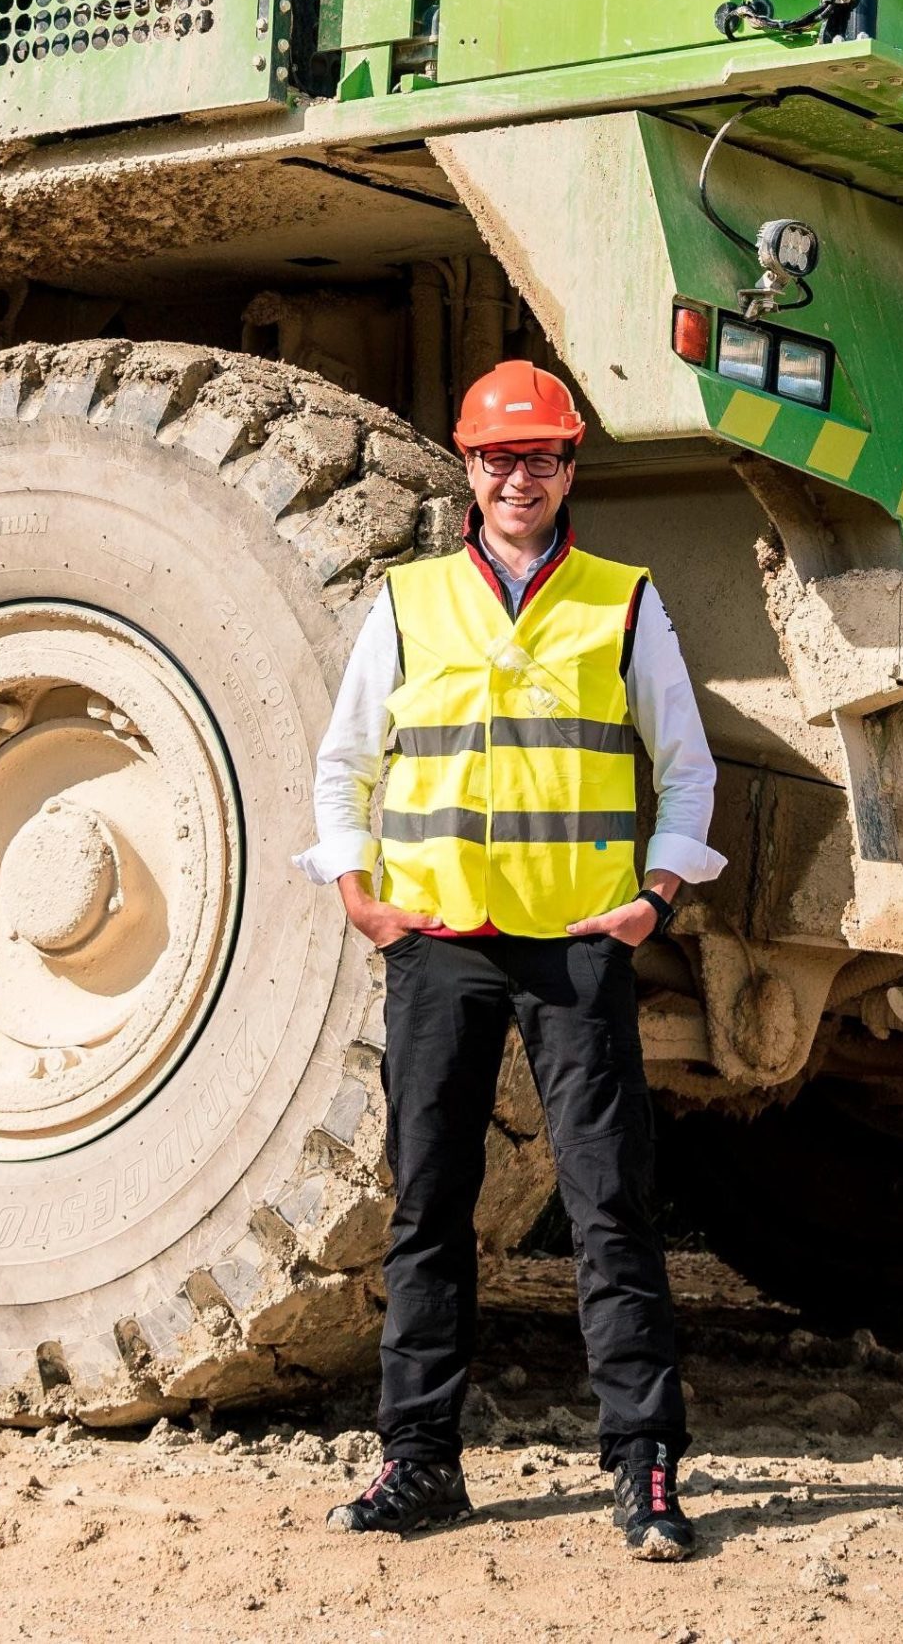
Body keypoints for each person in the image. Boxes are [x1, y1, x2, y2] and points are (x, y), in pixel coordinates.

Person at [305, 358, 721, 1561]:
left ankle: (644, 1473)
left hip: (579, 944)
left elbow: (685, 765)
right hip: (437, 944)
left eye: (538, 455)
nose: (516, 475)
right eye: (496, 456)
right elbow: (348, 763)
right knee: (427, 1209)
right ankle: (418, 1462)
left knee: (610, 1211)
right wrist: (358, 893)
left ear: (568, 466)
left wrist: (654, 894)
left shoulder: (623, 599)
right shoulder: (409, 599)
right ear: (468, 468)